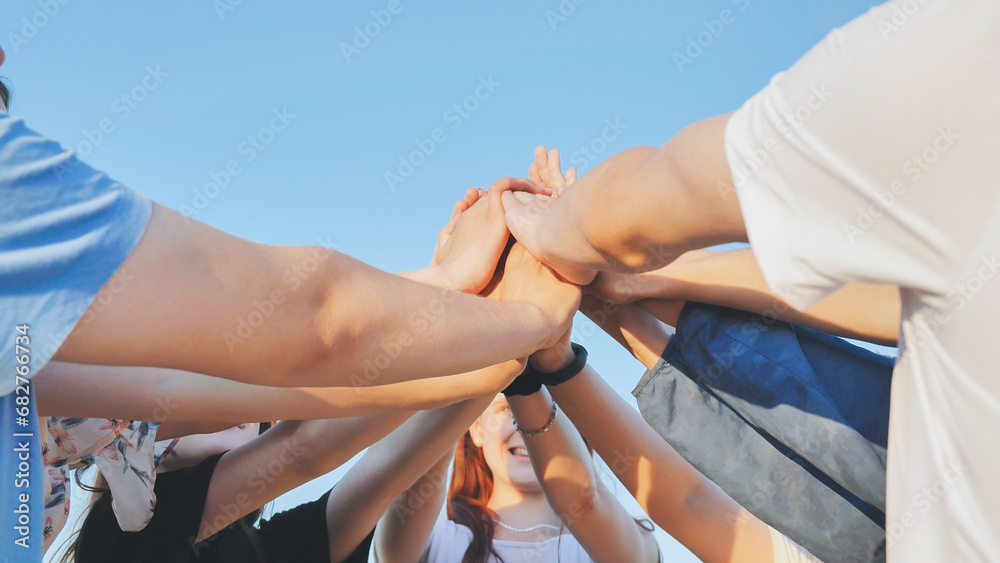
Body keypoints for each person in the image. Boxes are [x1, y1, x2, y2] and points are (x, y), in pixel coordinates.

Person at [498, 2, 1000, 559]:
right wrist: (625, 288)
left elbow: (662, 192)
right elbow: (905, 304)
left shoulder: (954, 56)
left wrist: (564, 240)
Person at [373, 338, 660, 563]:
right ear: (475, 429)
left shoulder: (623, 540)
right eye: (505, 408)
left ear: (581, 432)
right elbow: (414, 477)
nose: (524, 426)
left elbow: (590, 506)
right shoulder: (436, 538)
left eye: (556, 410)